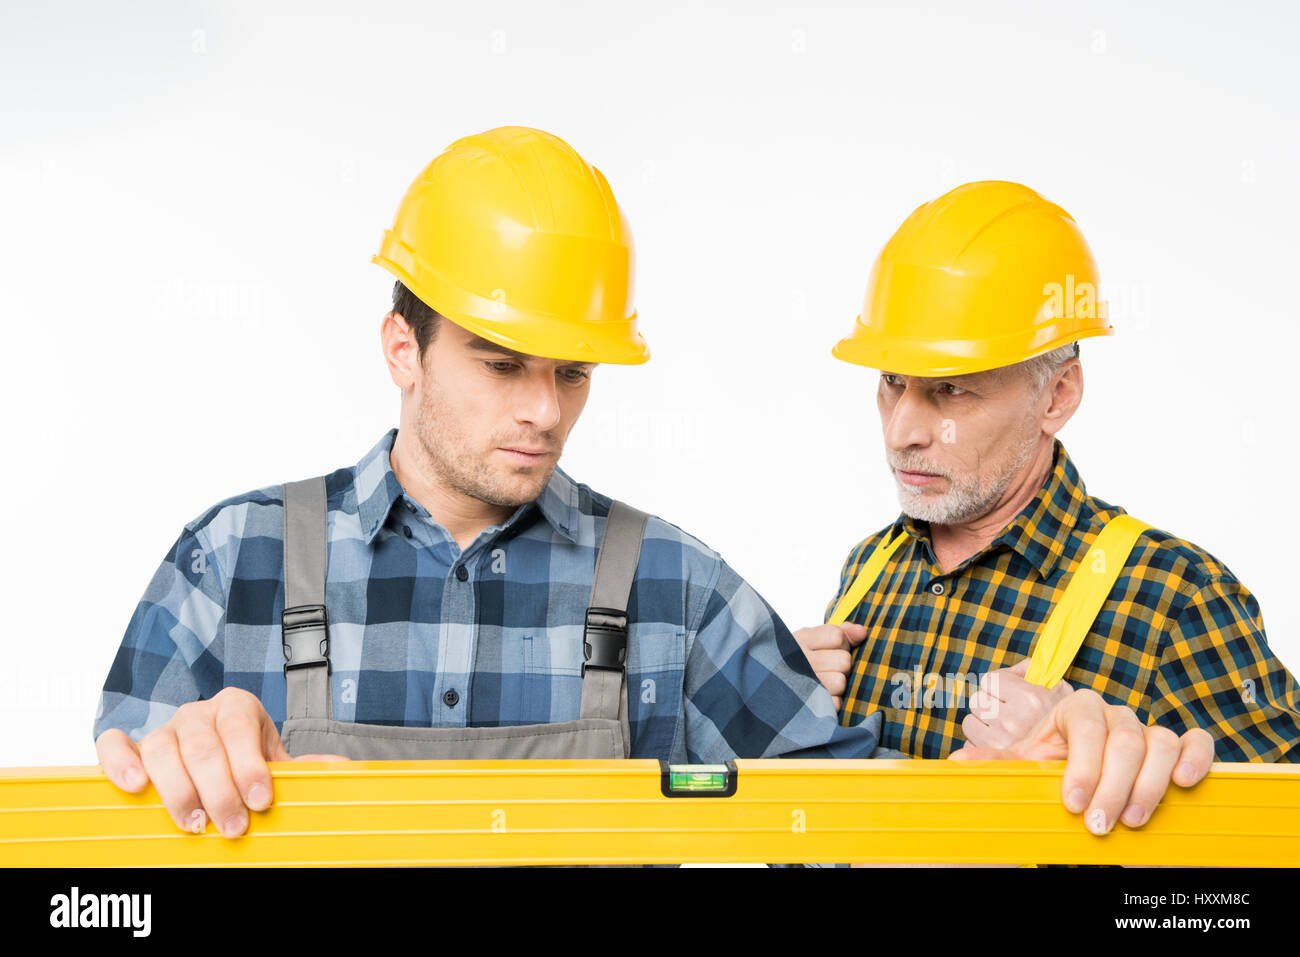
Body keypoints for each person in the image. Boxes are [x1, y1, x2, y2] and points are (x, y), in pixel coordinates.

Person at [94, 133, 1213, 851]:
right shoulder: (232, 561)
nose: (544, 409)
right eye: (500, 364)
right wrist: (175, 770)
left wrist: (1029, 779)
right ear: (401, 348)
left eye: (571, 371)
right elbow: (94, 885)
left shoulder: (673, 589)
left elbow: (865, 834)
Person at [795, 181, 1300, 776]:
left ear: (1057, 396)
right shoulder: (869, 571)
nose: (901, 430)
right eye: (891, 382)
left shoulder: (1175, 598)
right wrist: (789, 718)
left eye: (950, 388)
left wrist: (1093, 753)